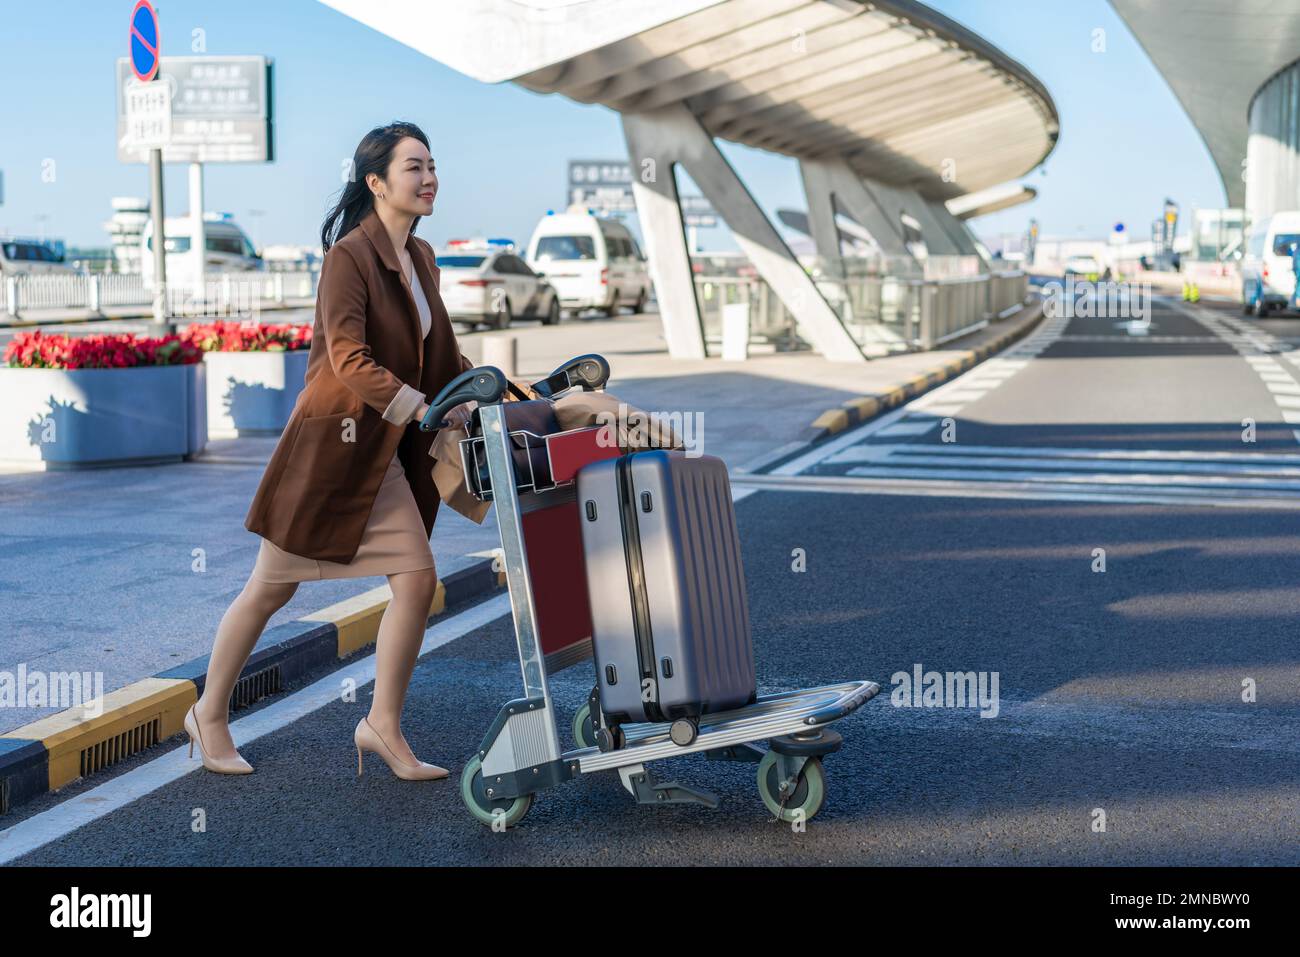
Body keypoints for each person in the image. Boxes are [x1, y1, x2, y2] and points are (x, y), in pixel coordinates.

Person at [186, 121, 484, 782]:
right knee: (271, 587)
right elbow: (348, 358)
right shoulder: (348, 257)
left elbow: (439, 353)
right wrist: (422, 405)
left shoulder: (423, 256)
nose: (429, 176)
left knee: (416, 579)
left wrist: (471, 388)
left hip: (383, 459)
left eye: (432, 164)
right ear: (376, 182)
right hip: (332, 454)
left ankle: (382, 723)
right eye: (415, 167)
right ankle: (208, 713)